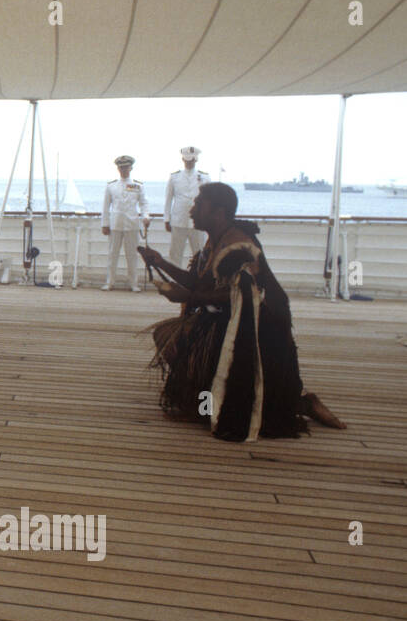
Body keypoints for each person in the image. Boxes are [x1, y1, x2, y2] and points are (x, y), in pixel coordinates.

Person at [139, 183, 345, 442]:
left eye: (198, 204)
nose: (191, 210)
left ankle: (302, 404)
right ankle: (205, 408)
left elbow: (238, 293)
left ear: (218, 212)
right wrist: (160, 262)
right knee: (168, 338)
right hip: (226, 319)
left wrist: (188, 297)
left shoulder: (239, 247)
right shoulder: (216, 240)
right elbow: (199, 281)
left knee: (189, 348)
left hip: (253, 330)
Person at [100, 155, 149, 292]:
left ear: (131, 168)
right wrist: (105, 224)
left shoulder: (138, 185)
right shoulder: (111, 185)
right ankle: (109, 282)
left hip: (132, 224)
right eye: (121, 167)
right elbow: (105, 207)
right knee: (112, 254)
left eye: (126, 167)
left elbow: (144, 203)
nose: (123, 170)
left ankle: (133, 283)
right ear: (118, 168)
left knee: (132, 255)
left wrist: (146, 216)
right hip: (115, 224)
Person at [165, 146, 211, 267]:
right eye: (187, 159)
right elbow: (168, 200)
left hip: (199, 222)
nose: (189, 162)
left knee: (200, 253)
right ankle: (173, 281)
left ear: (196, 160)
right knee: (175, 254)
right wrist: (166, 219)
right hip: (179, 221)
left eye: (191, 160)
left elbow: (209, 201)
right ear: (183, 159)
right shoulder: (174, 177)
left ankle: (199, 282)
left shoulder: (205, 177)